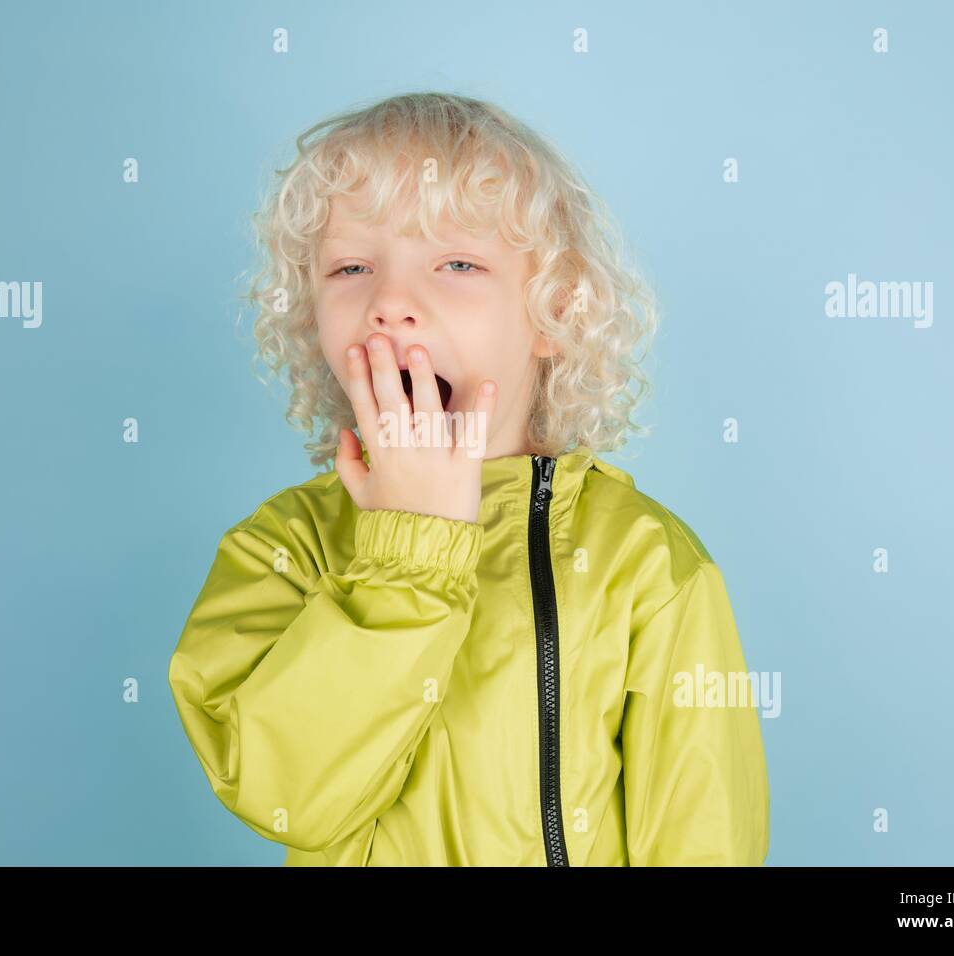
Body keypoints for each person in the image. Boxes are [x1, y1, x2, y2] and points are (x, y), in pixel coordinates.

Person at [168, 91, 770, 866]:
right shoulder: (283, 549)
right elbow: (286, 791)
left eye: (456, 262)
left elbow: (704, 838)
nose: (390, 302)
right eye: (351, 266)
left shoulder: (649, 564)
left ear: (555, 312)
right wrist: (409, 551)